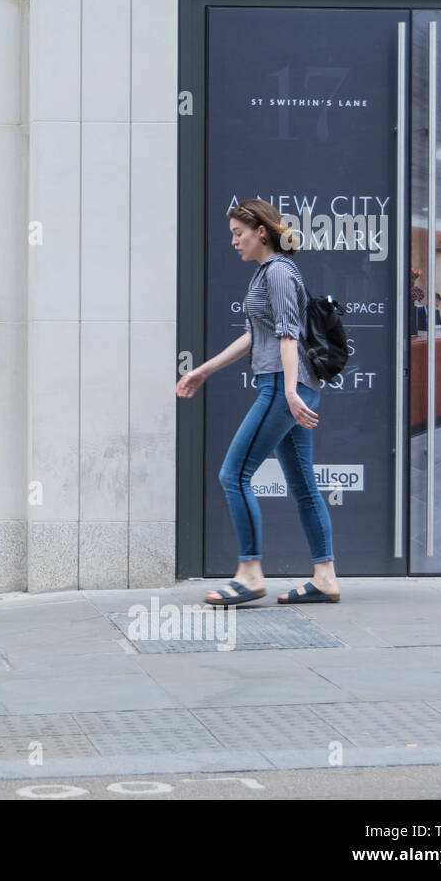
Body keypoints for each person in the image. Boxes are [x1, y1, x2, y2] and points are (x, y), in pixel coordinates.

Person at [175, 199, 339, 605]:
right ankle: (325, 577)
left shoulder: (279, 272)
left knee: (234, 475)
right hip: (289, 385)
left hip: (284, 386)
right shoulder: (266, 274)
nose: (233, 241)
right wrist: (203, 371)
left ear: (260, 232)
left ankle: (249, 573)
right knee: (302, 485)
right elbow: (256, 336)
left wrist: (286, 391)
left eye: (238, 233)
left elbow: (287, 336)